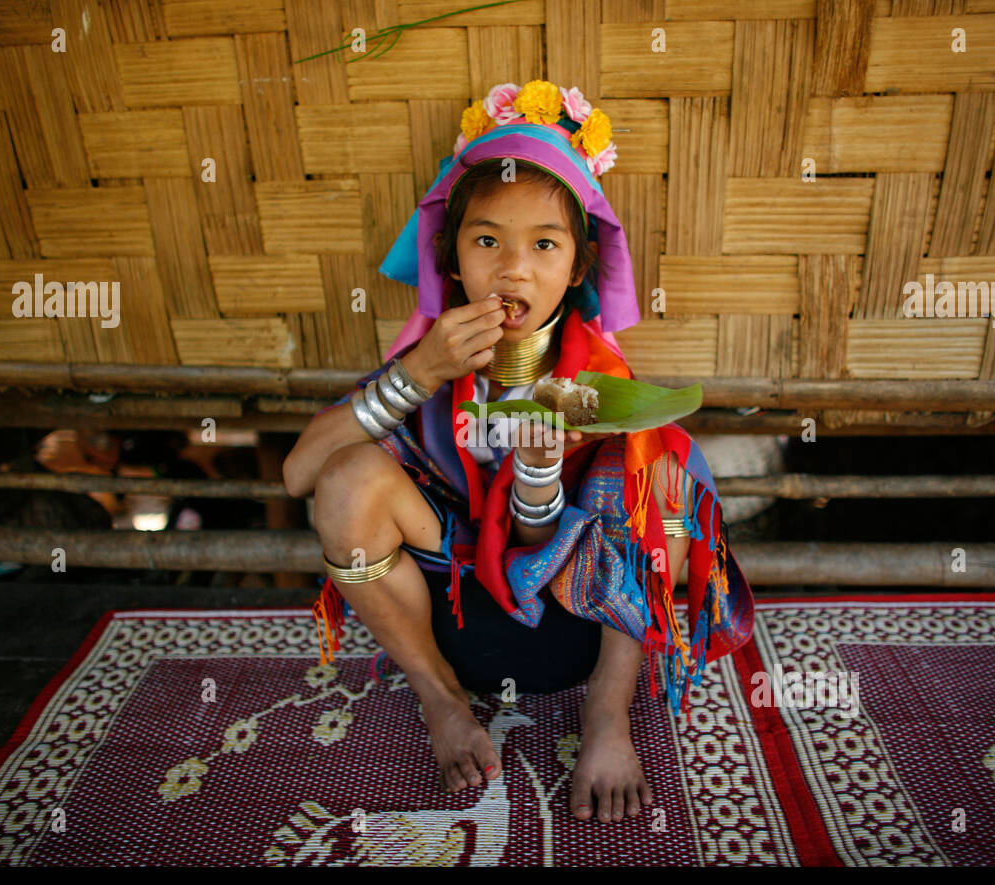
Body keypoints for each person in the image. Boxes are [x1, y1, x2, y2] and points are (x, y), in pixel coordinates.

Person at [283, 80, 755, 823]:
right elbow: (299, 474)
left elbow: (554, 532)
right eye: (486, 240)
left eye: (543, 243)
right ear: (451, 258)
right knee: (346, 482)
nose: (512, 268)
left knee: (659, 468)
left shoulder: (599, 382)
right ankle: (442, 707)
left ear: (576, 267)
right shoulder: (428, 360)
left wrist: (540, 470)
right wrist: (418, 376)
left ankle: (606, 718)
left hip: (581, 628)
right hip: (449, 620)